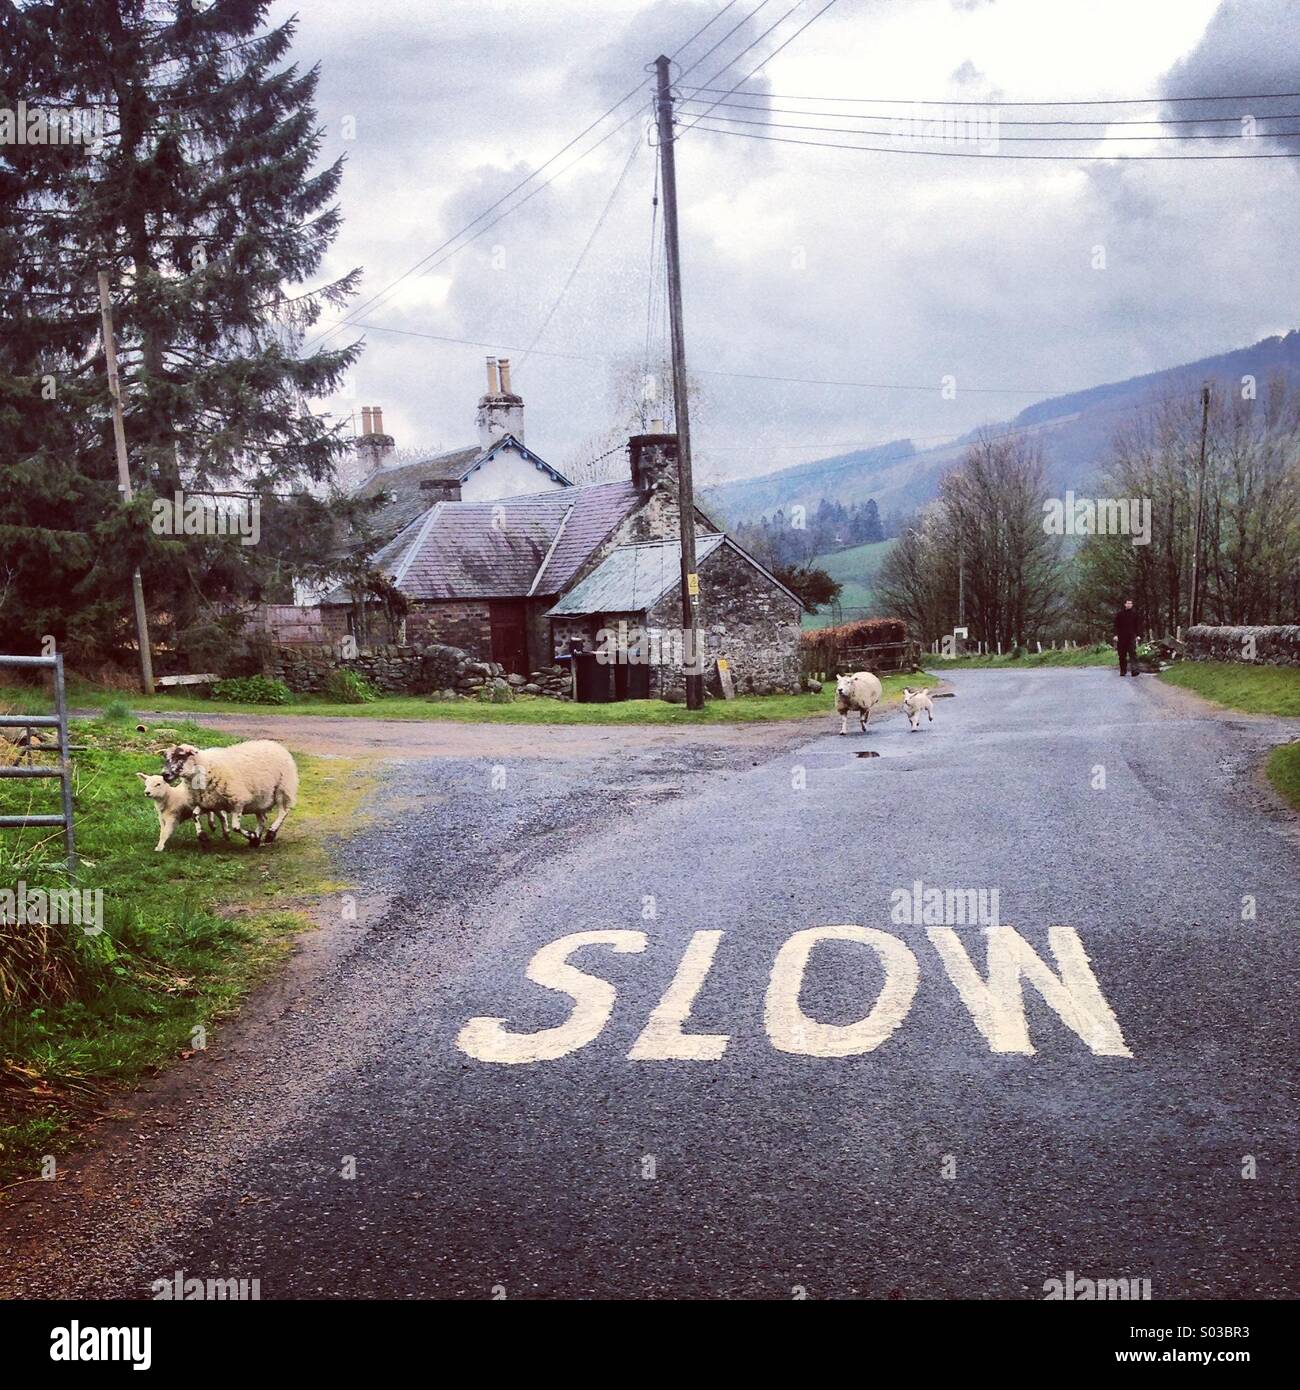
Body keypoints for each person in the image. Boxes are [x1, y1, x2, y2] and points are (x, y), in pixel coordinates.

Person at [1114, 598, 1142, 677]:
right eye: (1128, 603)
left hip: (1131, 637)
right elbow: (1116, 625)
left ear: (1132, 605)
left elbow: (1137, 625)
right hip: (1121, 637)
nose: (1129, 605)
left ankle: (1134, 670)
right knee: (1122, 655)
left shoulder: (1135, 614)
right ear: (1125, 604)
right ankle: (1123, 670)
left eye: (1130, 603)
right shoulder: (1120, 614)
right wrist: (1116, 635)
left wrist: (1138, 635)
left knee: (1133, 653)